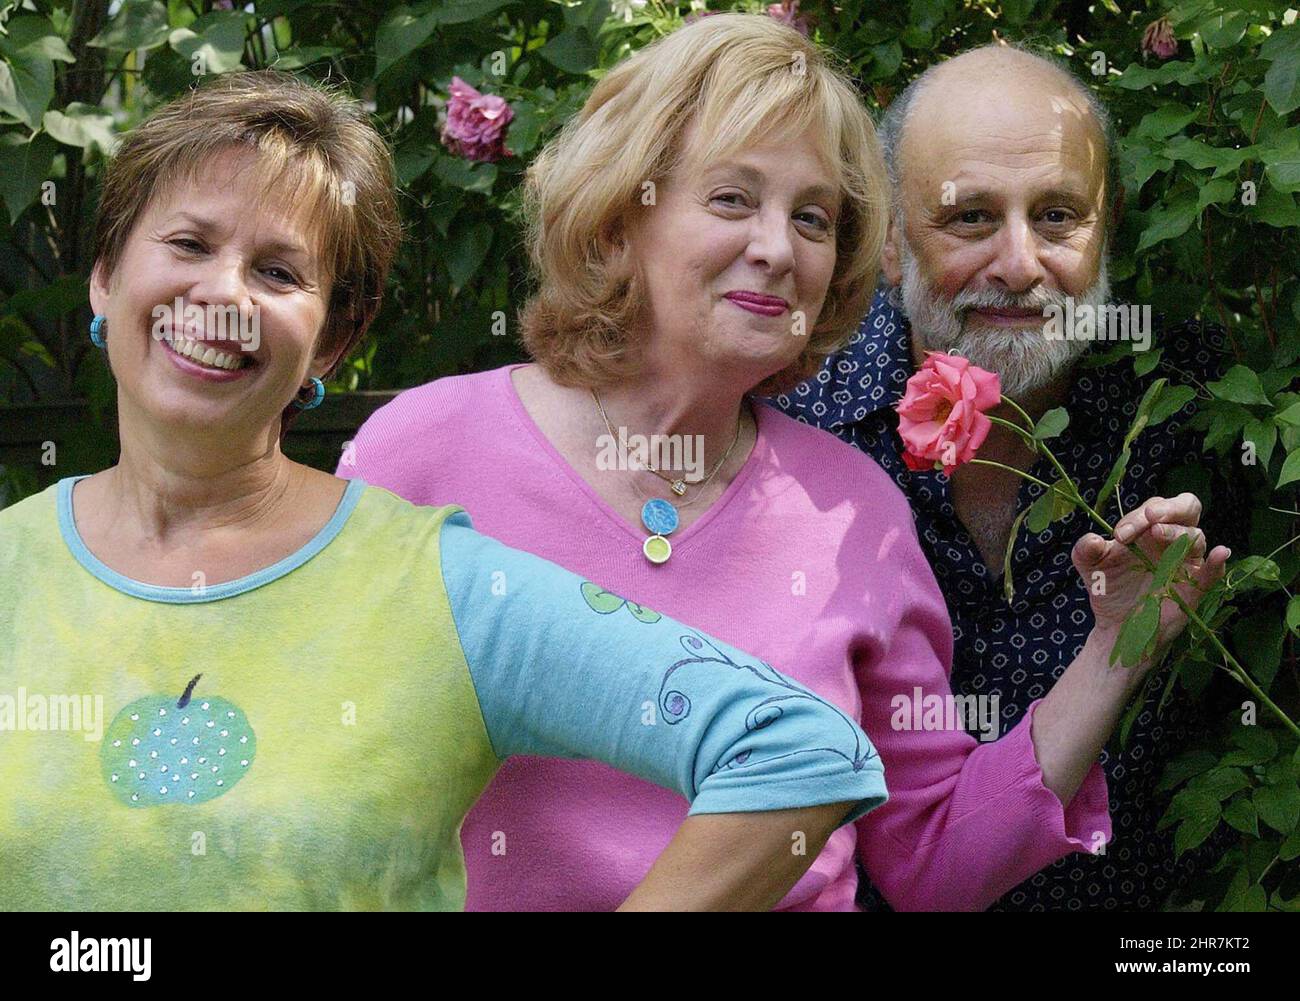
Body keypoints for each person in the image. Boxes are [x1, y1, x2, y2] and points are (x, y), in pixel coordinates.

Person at [338, 14, 1226, 911]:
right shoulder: (426, 452)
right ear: (617, 216)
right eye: (732, 199)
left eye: (811, 217)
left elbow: (936, 860)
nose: (776, 247)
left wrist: (1116, 644)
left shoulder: (855, 510)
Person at [0, 70, 891, 912]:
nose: (224, 295)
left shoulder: (442, 585)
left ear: (334, 342)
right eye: (190, 243)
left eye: (279, 273)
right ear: (107, 276)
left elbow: (802, 750)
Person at [775, 42, 1235, 910]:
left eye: (1059, 215)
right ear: (889, 244)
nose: (1021, 265)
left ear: (1109, 231)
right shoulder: (794, 422)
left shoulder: (1192, 408)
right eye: (972, 219)